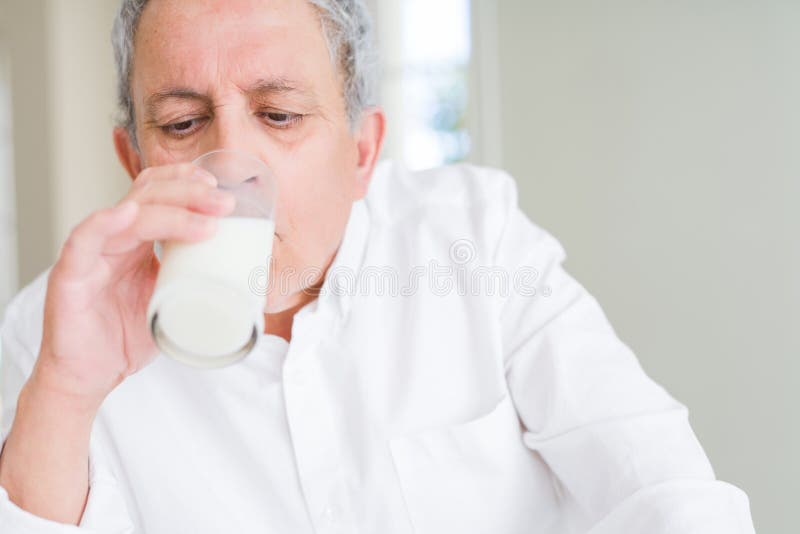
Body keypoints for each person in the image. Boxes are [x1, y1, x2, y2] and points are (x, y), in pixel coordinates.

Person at [0, 0, 756, 532]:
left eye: (280, 115)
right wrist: (65, 393)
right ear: (134, 159)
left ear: (361, 152)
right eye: (182, 124)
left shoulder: (474, 240)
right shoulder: (54, 336)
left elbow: (663, 491)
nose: (229, 168)